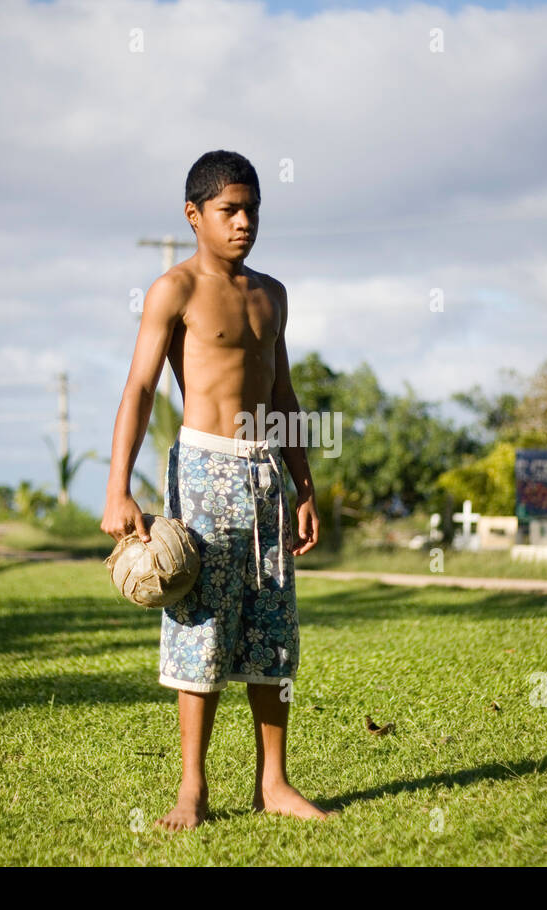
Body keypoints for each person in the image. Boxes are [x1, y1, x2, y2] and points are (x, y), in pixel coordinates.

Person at [101, 149, 335, 830]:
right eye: (229, 211)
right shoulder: (173, 289)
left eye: (252, 210)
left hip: (267, 472)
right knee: (199, 624)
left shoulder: (272, 293)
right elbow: (141, 387)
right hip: (204, 470)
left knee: (273, 630)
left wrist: (304, 484)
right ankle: (192, 789)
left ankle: (275, 784)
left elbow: (284, 393)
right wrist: (119, 489)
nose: (243, 223)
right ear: (193, 215)